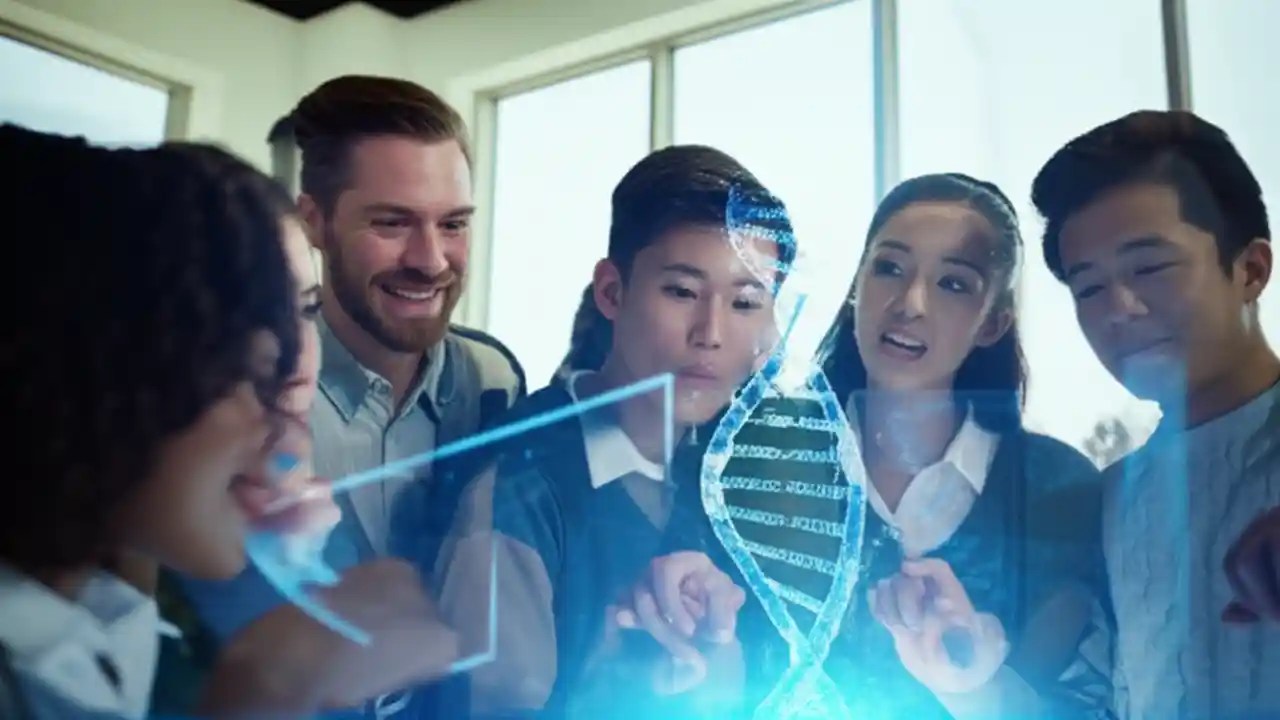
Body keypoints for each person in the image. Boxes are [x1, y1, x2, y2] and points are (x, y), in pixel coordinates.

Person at [0, 126, 458, 718]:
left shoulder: (107, 615)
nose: (288, 368)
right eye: (231, 330)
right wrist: (263, 687)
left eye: (304, 309)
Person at [620, 174, 1113, 719]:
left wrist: (969, 680)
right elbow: (703, 684)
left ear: (993, 322)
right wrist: (699, 640)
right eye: (889, 268)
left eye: (953, 284)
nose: (911, 303)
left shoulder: (1054, 489)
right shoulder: (748, 453)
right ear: (858, 285)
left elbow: (1063, 705)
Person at [179, 75, 526, 717]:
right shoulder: (244, 400)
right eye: (392, 223)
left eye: (452, 224)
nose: (430, 259)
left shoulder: (494, 380)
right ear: (314, 220)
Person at [432, 145, 788, 717]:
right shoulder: (521, 486)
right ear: (612, 293)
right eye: (682, 291)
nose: (712, 333)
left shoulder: (745, 480)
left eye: (745, 301)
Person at [1032, 109, 1280, 719]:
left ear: (1249, 270)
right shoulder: (1113, 496)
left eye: (1150, 267)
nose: (1120, 307)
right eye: (1088, 287)